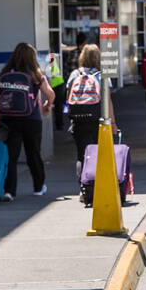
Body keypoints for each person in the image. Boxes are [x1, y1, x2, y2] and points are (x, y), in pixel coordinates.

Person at [0, 43, 54, 201]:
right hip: (32, 119)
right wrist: (47, 106)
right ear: (32, 57)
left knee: (11, 156)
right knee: (33, 154)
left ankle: (9, 191)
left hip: (9, 120)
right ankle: (38, 187)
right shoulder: (36, 74)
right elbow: (50, 94)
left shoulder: (5, 73)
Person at [63, 43, 104, 185]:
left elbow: (68, 98)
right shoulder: (101, 75)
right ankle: (97, 185)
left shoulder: (75, 74)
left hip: (78, 119)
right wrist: (112, 122)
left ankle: (84, 186)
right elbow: (108, 101)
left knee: (81, 154)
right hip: (96, 118)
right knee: (98, 152)